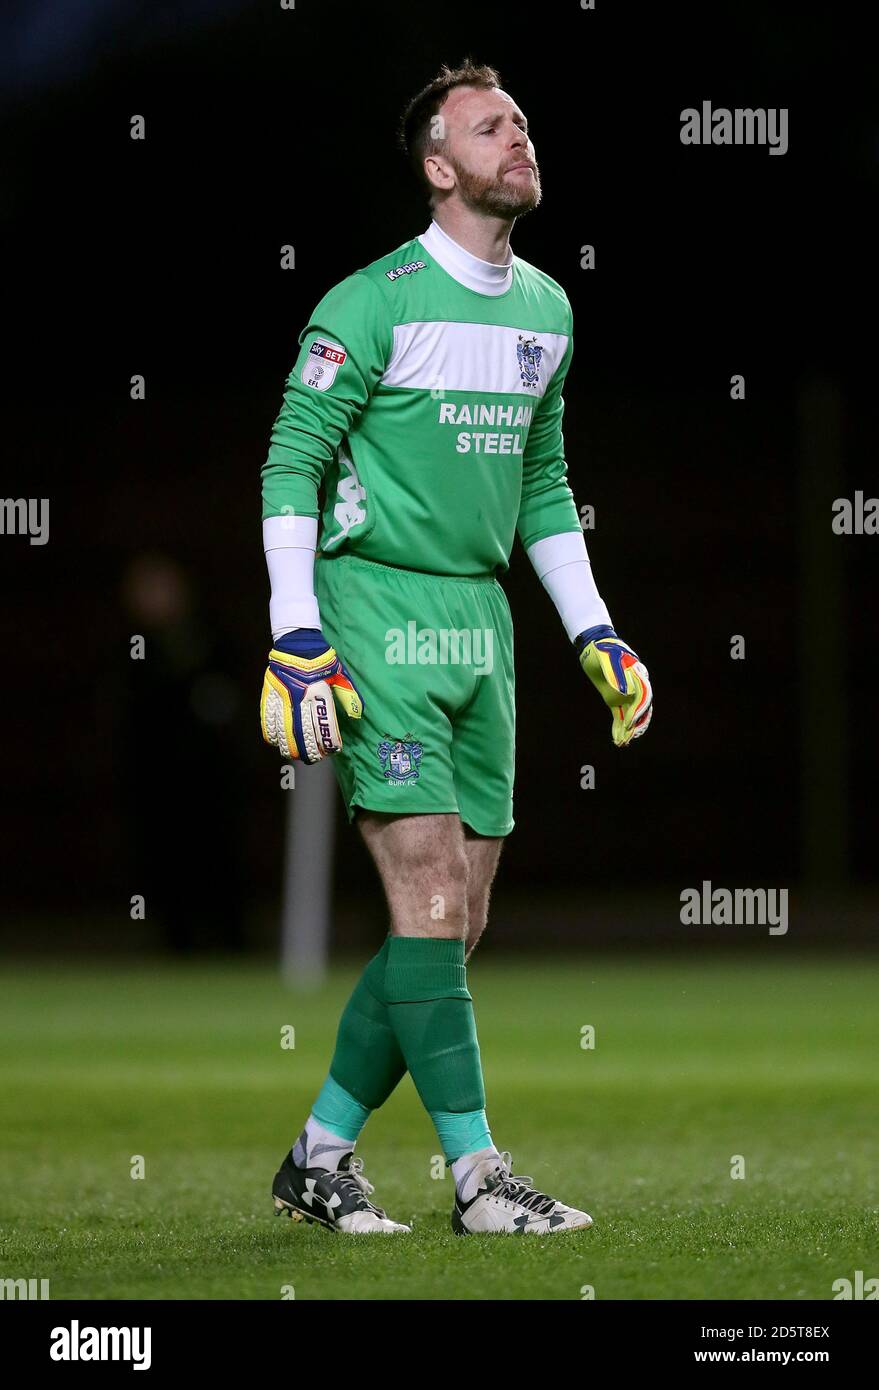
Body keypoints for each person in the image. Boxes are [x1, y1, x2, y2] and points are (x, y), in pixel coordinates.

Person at [259, 61, 653, 1236]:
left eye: (525, 120)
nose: (519, 137)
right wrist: (296, 631)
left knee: (456, 921)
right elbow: (291, 463)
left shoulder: (549, 310)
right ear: (440, 167)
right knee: (429, 896)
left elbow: (544, 486)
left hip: (484, 628)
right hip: (376, 612)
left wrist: (596, 627)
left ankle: (320, 1152)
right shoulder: (368, 302)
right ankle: (482, 1180)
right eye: (491, 126)